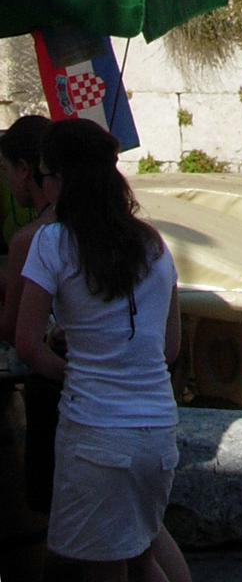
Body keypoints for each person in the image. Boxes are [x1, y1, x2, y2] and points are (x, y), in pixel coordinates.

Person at [15, 119, 182, 582]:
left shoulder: (52, 242)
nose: (44, 188)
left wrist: (75, 371)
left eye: (46, 177)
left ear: (63, 178)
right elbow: (167, 348)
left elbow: (27, 342)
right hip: (159, 430)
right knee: (143, 558)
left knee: (103, 568)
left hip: (97, 433)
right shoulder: (154, 245)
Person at [0, 115, 62, 525]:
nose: (5, 182)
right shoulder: (130, 239)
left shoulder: (32, 240)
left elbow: (17, 335)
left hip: (56, 390)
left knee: (58, 526)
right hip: (131, 406)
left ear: (26, 170)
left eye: (5, 170)